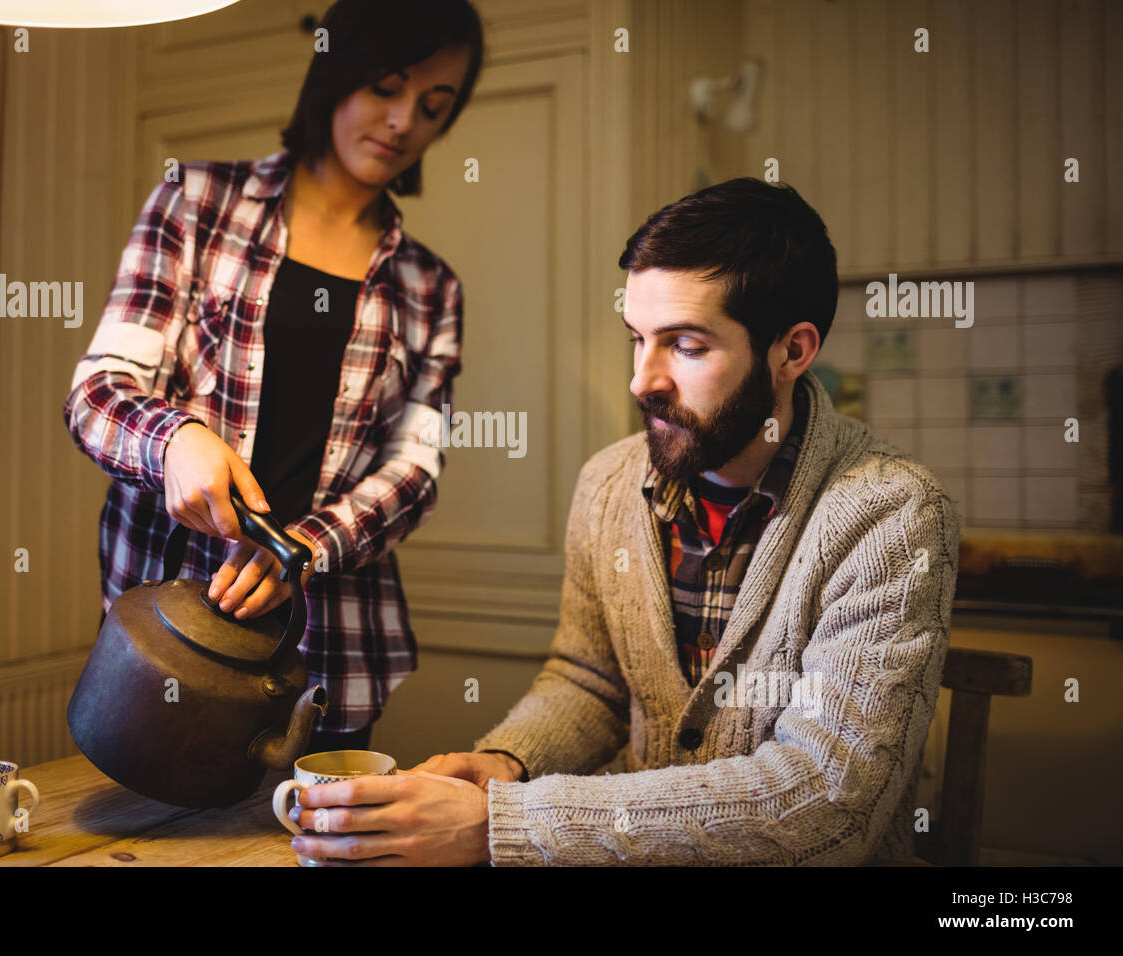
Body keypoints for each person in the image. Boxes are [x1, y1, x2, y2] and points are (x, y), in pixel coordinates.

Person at [284, 178, 962, 865]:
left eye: (686, 346)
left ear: (792, 351)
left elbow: (827, 803)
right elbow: (592, 682)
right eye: (638, 338)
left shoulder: (892, 515)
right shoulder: (609, 484)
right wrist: (508, 762)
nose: (643, 379)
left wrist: (502, 824)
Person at [63, 0, 484, 755]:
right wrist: (174, 441)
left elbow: (416, 469)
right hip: (167, 639)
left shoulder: (430, 287)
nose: (403, 122)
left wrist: (304, 548)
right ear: (336, 72)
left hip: (335, 652)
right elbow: (99, 390)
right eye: (385, 87)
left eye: (433, 106)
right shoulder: (198, 204)